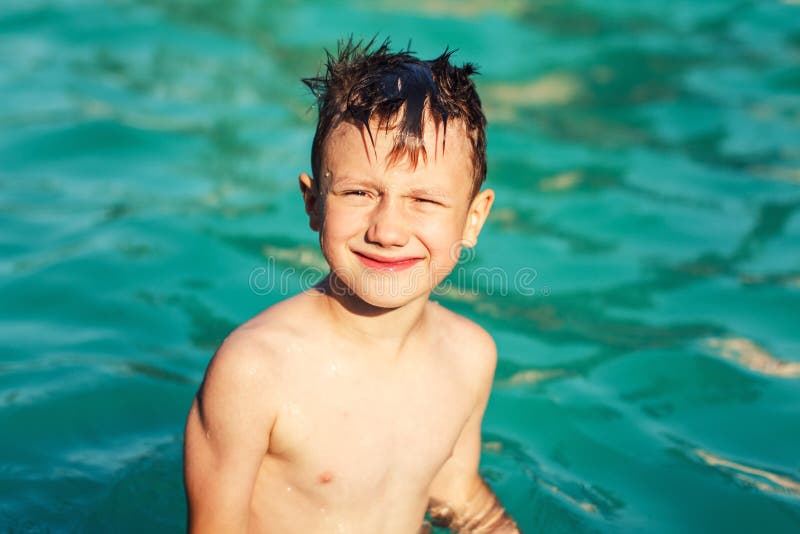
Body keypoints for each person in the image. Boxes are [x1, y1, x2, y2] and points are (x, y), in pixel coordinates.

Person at [183, 38, 521, 534]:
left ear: (474, 219)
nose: (387, 230)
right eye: (359, 192)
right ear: (313, 203)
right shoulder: (256, 371)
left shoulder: (469, 356)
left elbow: (456, 494)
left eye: (423, 201)